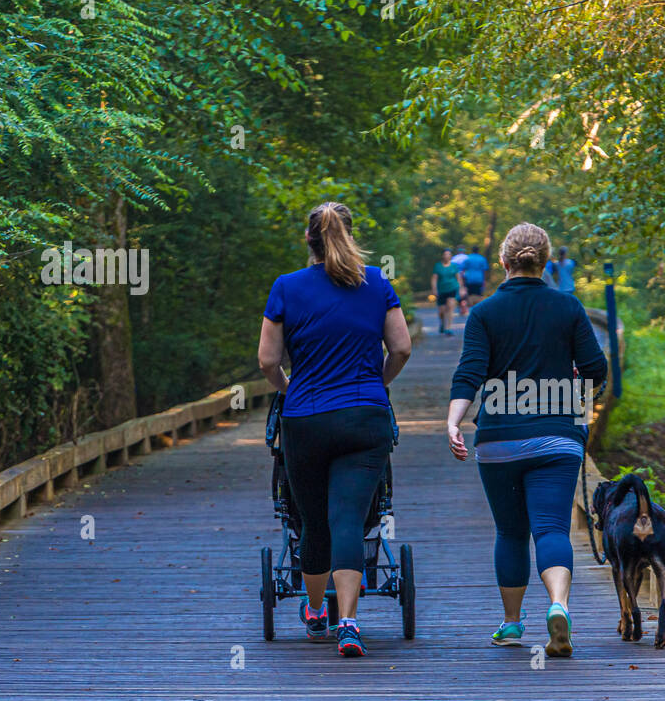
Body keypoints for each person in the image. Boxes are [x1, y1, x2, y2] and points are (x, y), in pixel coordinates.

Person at [258, 201, 412, 657]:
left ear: (308, 240)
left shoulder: (286, 287)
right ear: (349, 235)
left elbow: (268, 360)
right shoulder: (377, 283)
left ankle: (315, 612)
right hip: (365, 417)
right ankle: (349, 623)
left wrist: (289, 388)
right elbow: (401, 348)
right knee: (348, 517)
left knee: (311, 522)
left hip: (305, 418)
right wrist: (374, 385)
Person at [447, 223, 608, 657]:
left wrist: (453, 422)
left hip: (499, 440)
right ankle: (559, 605)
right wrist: (573, 391)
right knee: (552, 527)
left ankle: (512, 623)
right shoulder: (568, 307)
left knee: (511, 531)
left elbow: (470, 374)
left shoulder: (483, 314)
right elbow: (596, 369)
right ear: (546, 261)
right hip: (557, 438)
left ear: (503, 262)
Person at [432, 248, 462, 334]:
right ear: (442, 255)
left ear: (451, 256)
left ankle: (448, 328)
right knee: (441, 311)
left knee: (450, 308)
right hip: (441, 290)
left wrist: (460, 288)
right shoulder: (438, 266)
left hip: (452, 289)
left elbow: (458, 278)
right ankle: (442, 323)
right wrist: (434, 289)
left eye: (448, 254)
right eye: (445, 254)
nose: (447, 256)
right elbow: (434, 279)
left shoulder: (454, 266)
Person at [450, 243, 470, 315]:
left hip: (456, 278)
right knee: (465, 292)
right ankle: (464, 308)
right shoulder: (467, 257)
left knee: (458, 292)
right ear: (464, 250)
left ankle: (461, 309)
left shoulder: (454, 258)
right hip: (465, 277)